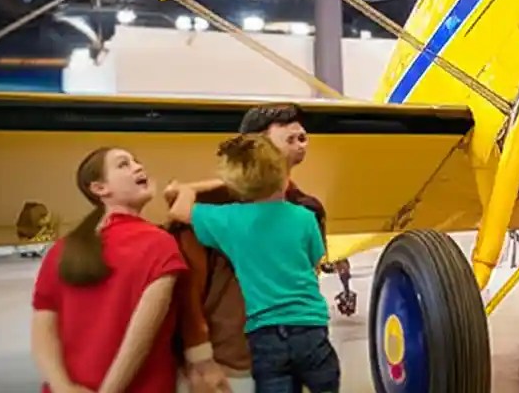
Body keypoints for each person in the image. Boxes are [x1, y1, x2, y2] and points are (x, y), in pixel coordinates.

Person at [169, 104, 341, 393]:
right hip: (226, 364)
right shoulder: (215, 205)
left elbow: (312, 271)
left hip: (266, 352)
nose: (298, 133)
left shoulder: (307, 207)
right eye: (284, 126)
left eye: (300, 130)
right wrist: (200, 358)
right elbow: (187, 288)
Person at [30, 147, 187, 393]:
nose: (138, 167)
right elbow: (140, 338)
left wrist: (63, 387)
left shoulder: (63, 248)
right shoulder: (159, 243)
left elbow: (42, 331)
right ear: (99, 188)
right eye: (124, 164)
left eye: (137, 161)